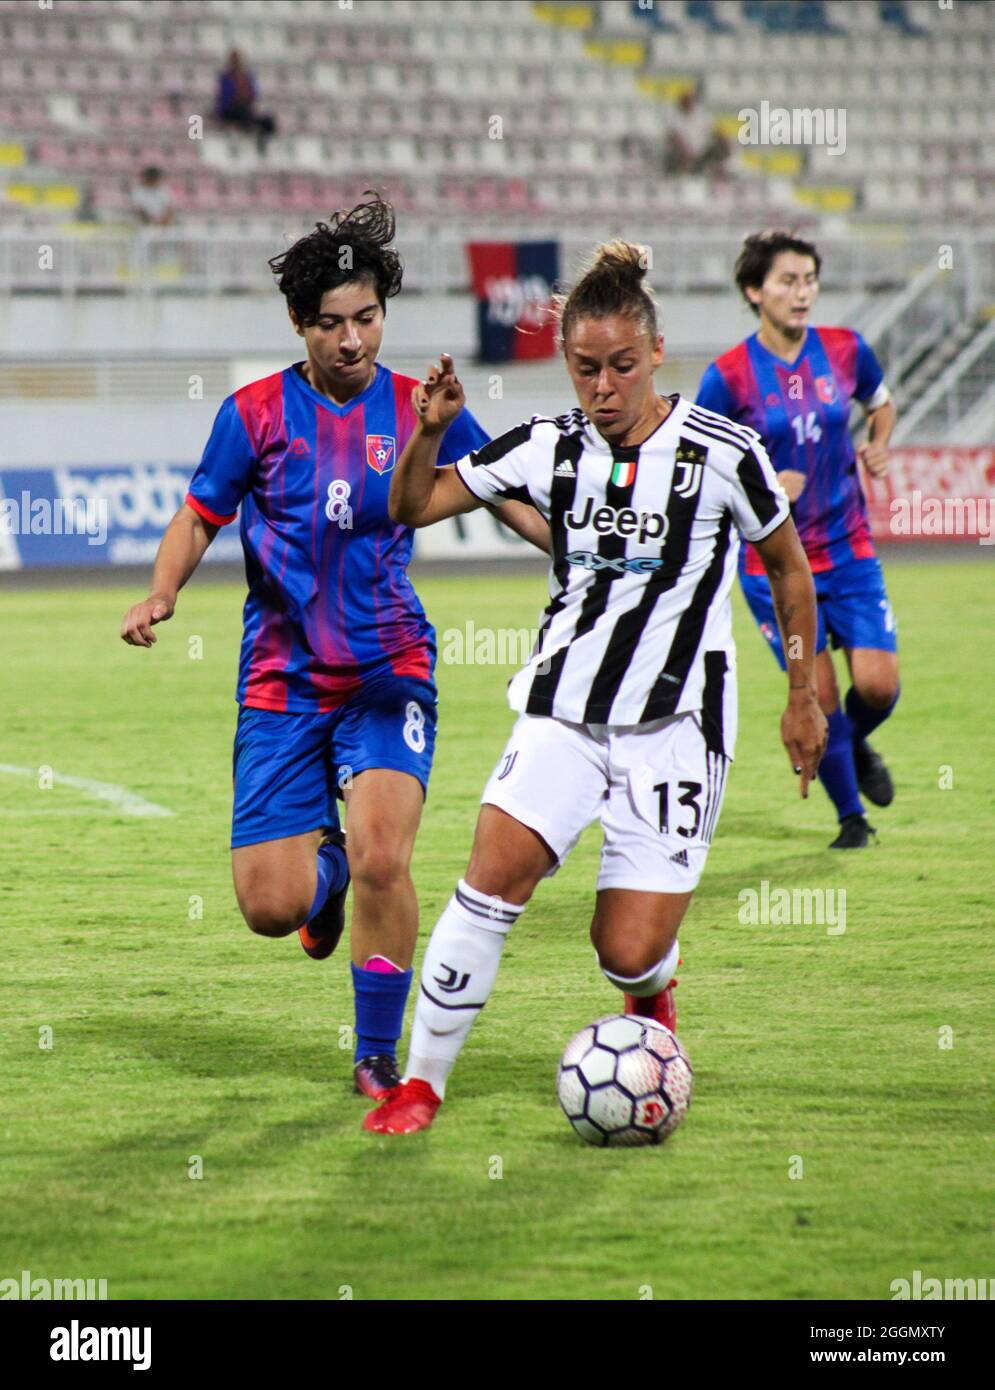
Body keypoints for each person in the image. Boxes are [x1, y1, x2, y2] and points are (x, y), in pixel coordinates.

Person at [363, 240, 826, 1135]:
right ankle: (422, 1084)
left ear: (656, 354)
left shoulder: (724, 453)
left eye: (620, 366)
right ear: (565, 365)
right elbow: (409, 506)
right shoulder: (545, 448)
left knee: (623, 950)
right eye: (584, 369)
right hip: (562, 711)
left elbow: (787, 568)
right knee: (488, 883)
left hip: (676, 722)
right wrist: (426, 431)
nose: (602, 387)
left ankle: (651, 996)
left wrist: (801, 694)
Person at [120, 194, 549, 1100]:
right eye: (330, 324)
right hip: (281, 680)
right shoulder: (253, 415)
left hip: (389, 670)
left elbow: (507, 495)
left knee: (384, 857)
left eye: (365, 319)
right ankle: (320, 887)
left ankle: (377, 1054)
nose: (351, 340)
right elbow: (198, 518)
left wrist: (580, 548)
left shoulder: (419, 408)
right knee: (270, 909)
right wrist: (163, 591)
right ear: (298, 324)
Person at [695, 231, 899, 849]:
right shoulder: (726, 377)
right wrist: (760, 485)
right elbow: (701, 464)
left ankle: (855, 743)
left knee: (879, 686)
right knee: (820, 691)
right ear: (755, 291)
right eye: (787, 280)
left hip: (849, 546)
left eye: (809, 279)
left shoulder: (846, 350)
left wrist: (879, 442)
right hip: (773, 563)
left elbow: (881, 403)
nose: (802, 291)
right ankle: (852, 821)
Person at [216, 48, 277, 153]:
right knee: (244, 114)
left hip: (245, 110)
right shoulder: (226, 77)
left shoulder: (247, 77)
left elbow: (253, 94)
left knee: (268, 120)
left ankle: (263, 142)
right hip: (231, 111)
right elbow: (225, 99)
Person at [664, 88, 729, 177]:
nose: (687, 104)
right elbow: (675, 138)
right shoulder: (674, 117)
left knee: (721, 149)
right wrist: (686, 153)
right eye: (685, 101)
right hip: (682, 154)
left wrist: (723, 142)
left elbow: (716, 131)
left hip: (701, 153)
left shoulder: (702, 115)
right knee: (677, 152)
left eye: (689, 101)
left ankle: (719, 174)